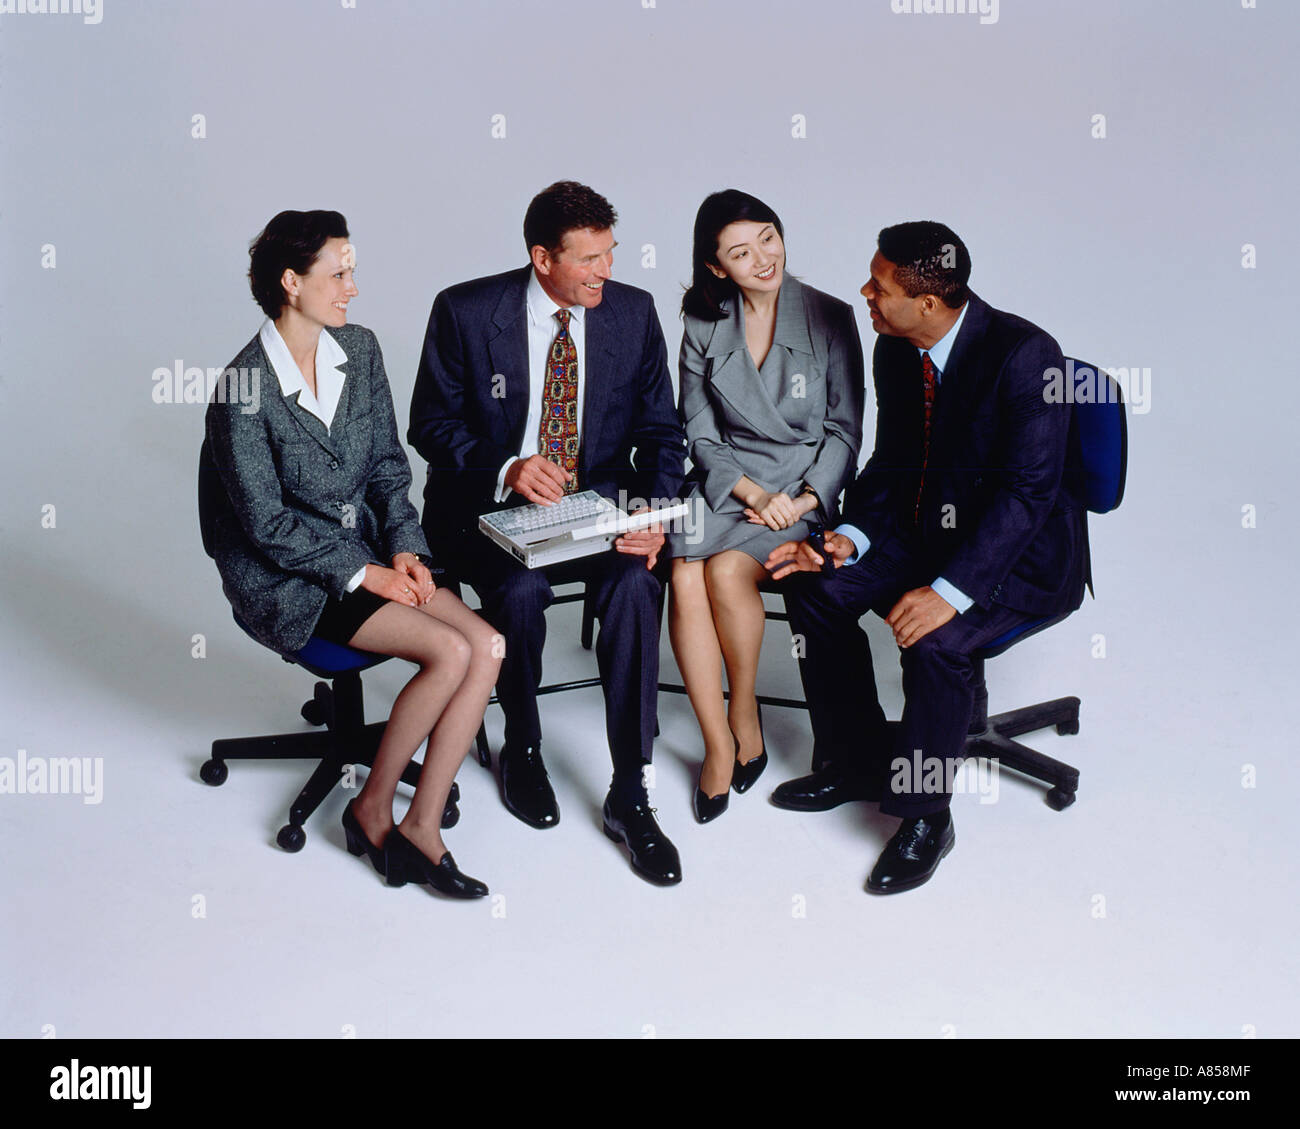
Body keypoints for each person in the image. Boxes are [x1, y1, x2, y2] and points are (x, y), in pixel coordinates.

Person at [765, 221, 1089, 894]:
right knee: (816, 590)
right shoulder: (897, 346)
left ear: (931, 302)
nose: (866, 294)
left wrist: (951, 588)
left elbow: (1027, 496)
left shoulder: (1027, 357)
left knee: (937, 643)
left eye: (880, 287)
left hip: (1019, 557)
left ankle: (925, 816)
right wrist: (849, 537)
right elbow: (893, 463)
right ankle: (853, 760)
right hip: (924, 529)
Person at [201, 210, 501, 899]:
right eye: (338, 273)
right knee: (450, 653)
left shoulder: (358, 351)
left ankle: (421, 823)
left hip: (369, 552)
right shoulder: (242, 390)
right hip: (289, 580)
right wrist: (365, 572)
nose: (352, 287)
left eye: (351, 271)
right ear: (290, 281)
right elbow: (266, 524)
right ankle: (371, 811)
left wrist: (405, 548)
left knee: (487, 647)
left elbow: (390, 471)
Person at [408, 181, 687, 886]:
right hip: (486, 506)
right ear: (541, 257)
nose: (604, 272)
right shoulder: (467, 312)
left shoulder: (633, 313)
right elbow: (429, 424)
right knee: (521, 591)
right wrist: (507, 465)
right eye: (588, 259)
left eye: (609, 254)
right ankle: (522, 745)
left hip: (595, 503)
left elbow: (661, 431)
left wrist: (652, 516)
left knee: (633, 582)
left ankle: (632, 785)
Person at [666, 190, 863, 823]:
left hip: (805, 487)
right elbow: (697, 429)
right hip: (730, 483)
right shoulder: (702, 325)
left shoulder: (830, 317)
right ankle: (719, 743)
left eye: (769, 238)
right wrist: (751, 493)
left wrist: (803, 499)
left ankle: (742, 710)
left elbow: (844, 431)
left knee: (724, 570)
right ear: (716, 267)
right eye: (741, 252)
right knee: (683, 571)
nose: (764, 258)